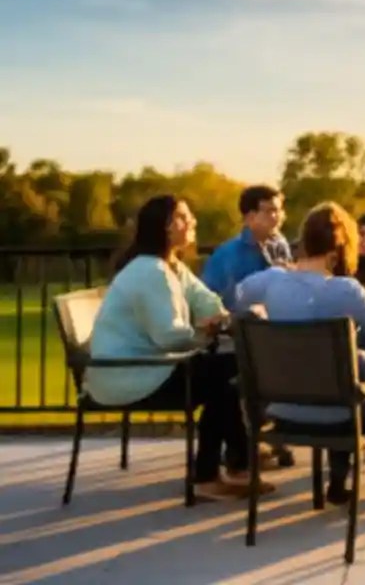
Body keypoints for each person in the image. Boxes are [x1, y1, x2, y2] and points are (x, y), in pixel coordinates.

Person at [85, 194, 273, 500]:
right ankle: (219, 470)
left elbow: (207, 301)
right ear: (165, 228)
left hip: (150, 367)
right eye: (184, 218)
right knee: (226, 375)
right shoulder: (151, 271)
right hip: (128, 377)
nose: (193, 222)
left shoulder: (171, 267)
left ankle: (236, 462)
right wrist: (210, 329)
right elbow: (169, 337)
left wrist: (224, 317)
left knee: (229, 371)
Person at [232, 202, 365, 504]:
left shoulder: (270, 281)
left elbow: (239, 296)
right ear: (342, 247)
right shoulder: (345, 291)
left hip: (281, 413)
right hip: (338, 418)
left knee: (345, 374)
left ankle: (339, 481)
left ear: (304, 240)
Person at [201, 185, 296, 468]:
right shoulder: (227, 255)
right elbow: (208, 296)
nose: (277, 217)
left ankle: (271, 435)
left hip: (272, 331)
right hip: (236, 335)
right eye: (269, 211)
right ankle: (250, 444)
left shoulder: (280, 245)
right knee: (252, 368)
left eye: (280, 210)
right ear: (249, 217)